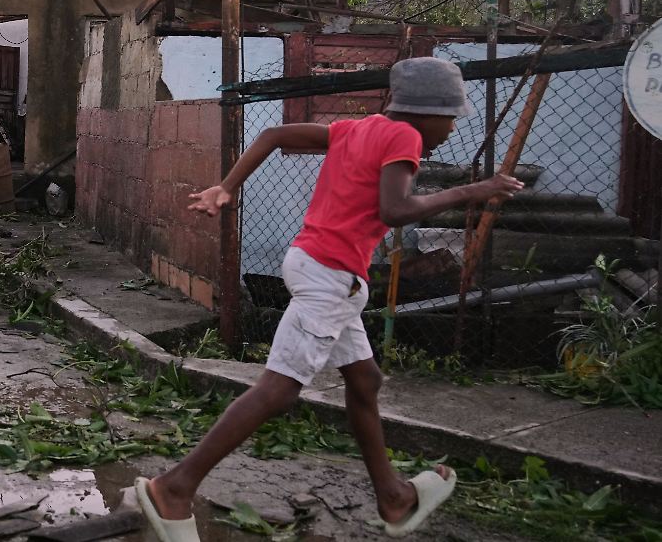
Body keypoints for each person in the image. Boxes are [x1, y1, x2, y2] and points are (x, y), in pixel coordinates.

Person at [135, 57, 525, 541]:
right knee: (279, 390)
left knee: (364, 381)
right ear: (427, 111)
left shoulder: (359, 129)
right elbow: (396, 209)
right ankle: (175, 486)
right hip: (330, 276)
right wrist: (473, 190)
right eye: (451, 116)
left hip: (315, 263)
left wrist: (226, 186)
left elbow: (273, 137)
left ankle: (394, 497)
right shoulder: (406, 137)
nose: (451, 127)